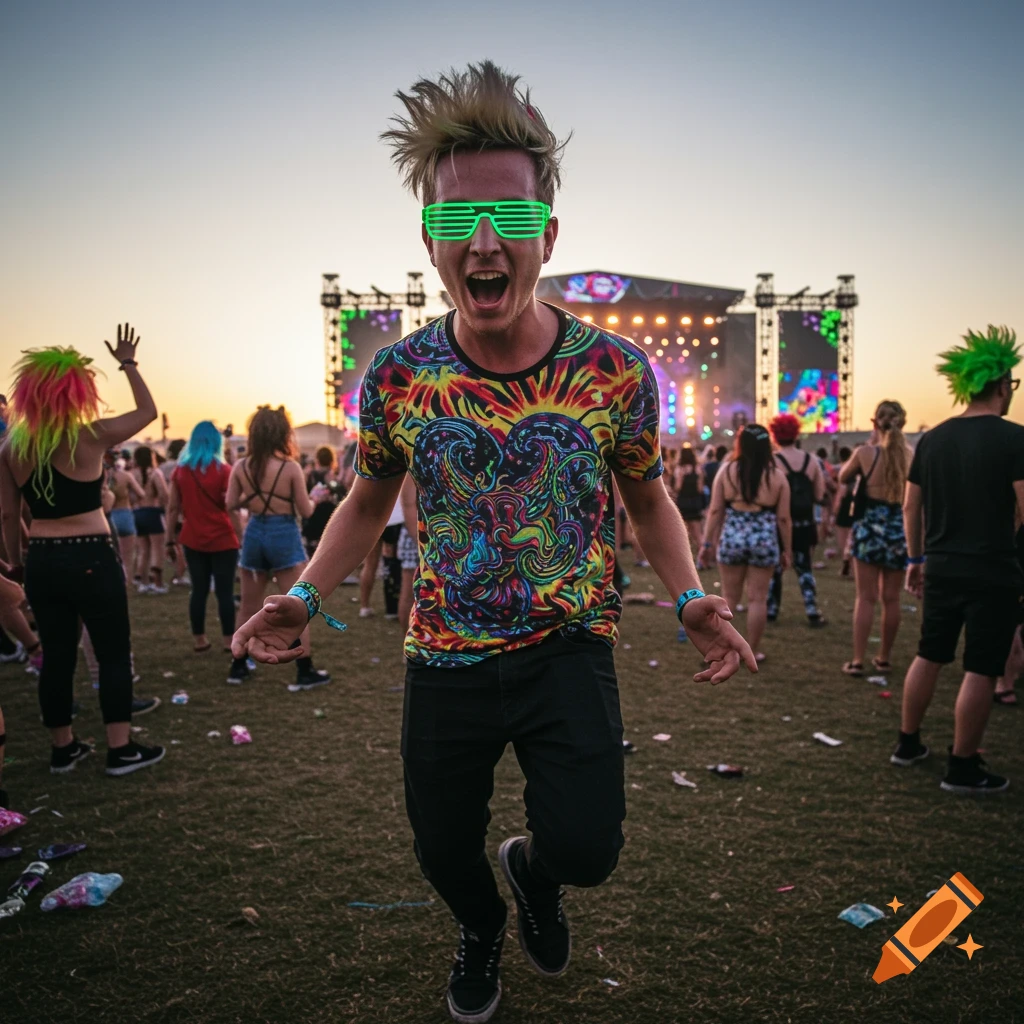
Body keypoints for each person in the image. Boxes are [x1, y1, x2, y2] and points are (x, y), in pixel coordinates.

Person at [232, 60, 755, 1024]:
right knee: (440, 850)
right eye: (456, 219)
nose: (483, 242)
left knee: (588, 849)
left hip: (569, 647)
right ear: (429, 240)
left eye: (510, 218)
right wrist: (302, 597)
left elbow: (648, 501)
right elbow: (365, 503)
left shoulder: (615, 371)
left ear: (546, 235)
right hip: (446, 656)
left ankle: (534, 874)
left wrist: (689, 599)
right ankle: (480, 925)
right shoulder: (398, 377)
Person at [0, 327, 166, 776]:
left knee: (56, 655)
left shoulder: (12, 447)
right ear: (77, 391)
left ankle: (63, 748)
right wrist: (128, 363)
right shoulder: (88, 435)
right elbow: (148, 412)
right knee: (111, 650)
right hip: (91, 554)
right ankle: (120, 749)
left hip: (42, 558)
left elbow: (8, 515)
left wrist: (17, 562)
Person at [897, 326, 1023, 794]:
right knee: (983, 666)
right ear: (1001, 385)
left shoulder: (932, 440)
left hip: (941, 566)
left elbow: (911, 506)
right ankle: (963, 766)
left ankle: (907, 744)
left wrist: (916, 557)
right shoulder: (1015, 439)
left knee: (929, 653)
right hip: (995, 568)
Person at [227, 405, 330, 690]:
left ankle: (237, 665)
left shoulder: (241, 467)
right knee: (297, 605)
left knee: (248, 605)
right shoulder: (289, 467)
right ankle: (304, 669)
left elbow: (230, 503)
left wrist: (253, 498)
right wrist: (316, 499)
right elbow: (305, 510)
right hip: (283, 533)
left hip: (254, 532)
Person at [702, 423, 792, 663]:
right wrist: (787, 550)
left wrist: (706, 544)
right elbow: (784, 519)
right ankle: (752, 650)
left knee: (728, 598)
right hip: (764, 539)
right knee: (757, 599)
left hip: (732, 537)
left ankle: (723, 649)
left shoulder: (727, 471)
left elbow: (715, 511)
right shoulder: (777, 476)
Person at [166, 421, 246, 676]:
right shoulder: (224, 471)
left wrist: (169, 539)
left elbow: (172, 508)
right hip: (223, 538)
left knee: (198, 591)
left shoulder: (180, 472)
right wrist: (241, 536)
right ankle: (227, 640)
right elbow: (231, 508)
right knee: (225, 592)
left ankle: (199, 639)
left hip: (192, 538)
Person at [839, 401, 912, 676]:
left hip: (869, 529)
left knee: (866, 598)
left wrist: (871, 443)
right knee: (891, 599)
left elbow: (843, 477)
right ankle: (883, 658)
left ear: (875, 423)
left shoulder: (865, 453)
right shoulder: (910, 456)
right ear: (902, 423)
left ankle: (857, 660)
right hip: (898, 529)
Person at [765, 415, 825, 627]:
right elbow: (819, 494)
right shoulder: (812, 461)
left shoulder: (772, 462)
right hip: (805, 523)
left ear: (775, 435)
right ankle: (811, 609)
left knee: (775, 569)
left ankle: (771, 609)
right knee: (805, 567)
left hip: (778, 523)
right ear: (796, 433)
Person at [131, 445, 169, 593]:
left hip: (137, 513)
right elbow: (164, 494)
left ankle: (143, 582)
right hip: (153, 512)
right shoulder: (155, 473)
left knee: (143, 550)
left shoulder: (132, 474)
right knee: (157, 549)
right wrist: (163, 507)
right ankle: (157, 583)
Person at [105, 446, 145, 577]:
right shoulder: (126, 476)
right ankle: (126, 586)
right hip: (125, 514)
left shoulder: (102, 476)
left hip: (108, 517)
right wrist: (131, 500)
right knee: (127, 559)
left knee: (112, 558)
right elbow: (141, 494)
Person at [302, 445, 344, 558]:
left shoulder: (309, 475)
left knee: (312, 555)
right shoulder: (334, 478)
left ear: (317, 460)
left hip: (312, 520)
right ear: (332, 460)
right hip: (330, 520)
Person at [672, 447, 704, 555]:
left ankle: (686, 554)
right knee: (698, 532)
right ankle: (702, 554)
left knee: (683, 531)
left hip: (683, 502)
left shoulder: (679, 469)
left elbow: (678, 487)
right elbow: (700, 489)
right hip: (695, 502)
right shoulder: (697, 468)